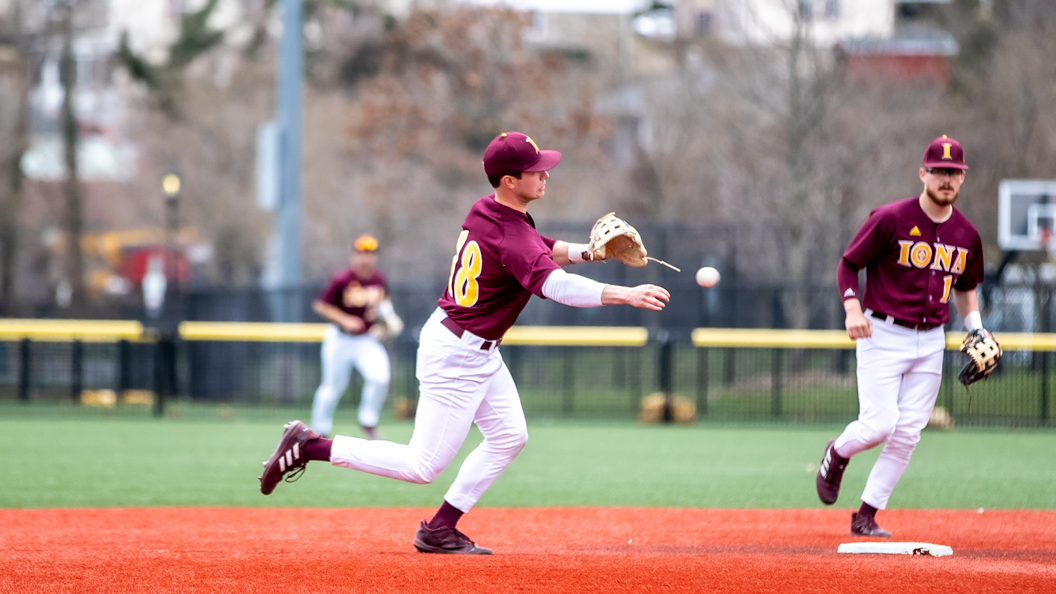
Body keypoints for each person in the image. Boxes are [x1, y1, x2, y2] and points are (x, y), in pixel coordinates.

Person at [258, 131, 670, 555]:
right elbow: (555, 285)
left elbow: (540, 249)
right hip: (458, 355)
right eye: (535, 170)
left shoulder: (488, 210)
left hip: (470, 346)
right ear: (510, 181)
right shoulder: (512, 234)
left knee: (509, 436)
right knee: (422, 466)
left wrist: (590, 252)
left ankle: (439, 528)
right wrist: (626, 293)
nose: (545, 174)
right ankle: (310, 446)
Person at [816, 135, 986, 537]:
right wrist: (852, 307)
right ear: (923, 173)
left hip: (931, 340)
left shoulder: (967, 234)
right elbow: (848, 264)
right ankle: (838, 452)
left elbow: (964, 288)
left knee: (908, 432)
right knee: (879, 425)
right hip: (883, 332)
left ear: (963, 179)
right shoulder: (891, 218)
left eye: (954, 173)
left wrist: (976, 328)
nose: (947, 179)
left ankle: (866, 515)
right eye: (939, 171)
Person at [310, 234, 404, 440]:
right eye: (361, 253)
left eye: (369, 253)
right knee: (333, 387)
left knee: (380, 377)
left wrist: (385, 318)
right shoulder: (342, 279)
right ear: (354, 255)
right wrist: (345, 320)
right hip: (340, 339)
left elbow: (383, 302)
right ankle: (320, 429)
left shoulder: (378, 279)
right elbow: (321, 305)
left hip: (366, 339)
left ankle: (368, 421)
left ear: (375, 257)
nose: (365, 258)